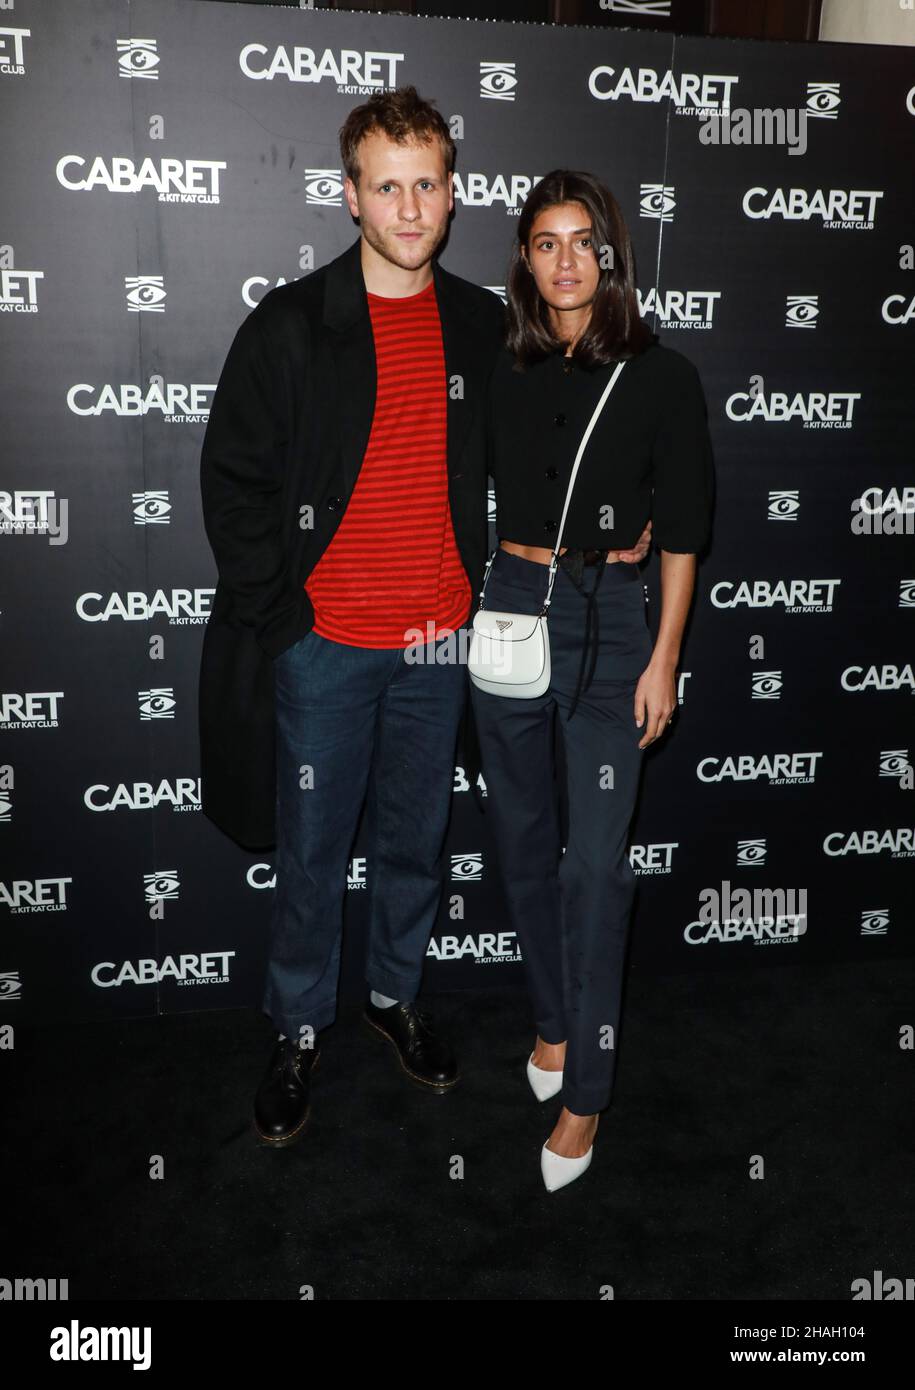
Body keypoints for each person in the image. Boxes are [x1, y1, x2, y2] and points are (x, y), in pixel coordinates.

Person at [198, 87, 509, 1145]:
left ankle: (394, 996)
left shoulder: (479, 323)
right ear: (351, 197)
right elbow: (233, 481)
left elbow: (536, 458)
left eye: (428, 184)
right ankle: (295, 1027)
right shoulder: (292, 325)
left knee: (418, 841)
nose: (411, 206)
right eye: (389, 186)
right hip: (324, 649)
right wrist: (285, 620)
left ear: (452, 194)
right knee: (313, 854)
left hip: (438, 647)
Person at [470, 170, 714, 1191]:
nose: (566, 261)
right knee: (523, 844)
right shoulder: (500, 364)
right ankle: (556, 1026)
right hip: (512, 603)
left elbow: (687, 527)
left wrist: (663, 655)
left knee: (593, 870)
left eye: (584, 242)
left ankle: (587, 1096)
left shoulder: (663, 376)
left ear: (610, 258)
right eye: (544, 243)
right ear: (523, 260)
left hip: (613, 622)